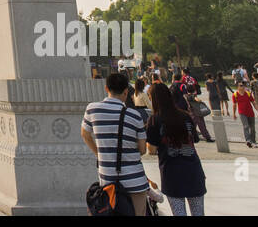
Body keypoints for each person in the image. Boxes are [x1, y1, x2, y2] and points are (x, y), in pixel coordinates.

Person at [81, 72, 150, 215]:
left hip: (108, 178)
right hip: (135, 178)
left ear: (106, 89)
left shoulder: (92, 109)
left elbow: (85, 134)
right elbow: (143, 149)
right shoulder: (134, 115)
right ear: (126, 91)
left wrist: (99, 154)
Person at [146, 82, 207, 216]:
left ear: (153, 99)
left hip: (172, 174)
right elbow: (194, 140)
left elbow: (151, 150)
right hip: (193, 170)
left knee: (179, 213)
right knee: (198, 213)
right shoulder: (185, 115)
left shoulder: (154, 120)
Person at [232, 81, 257, 148]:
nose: (242, 87)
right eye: (240, 85)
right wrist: (234, 114)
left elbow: (253, 102)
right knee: (246, 126)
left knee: (252, 128)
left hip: (250, 112)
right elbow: (234, 105)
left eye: (243, 85)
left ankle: (253, 141)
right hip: (242, 113)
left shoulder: (248, 93)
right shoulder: (235, 95)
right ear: (237, 87)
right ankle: (248, 140)